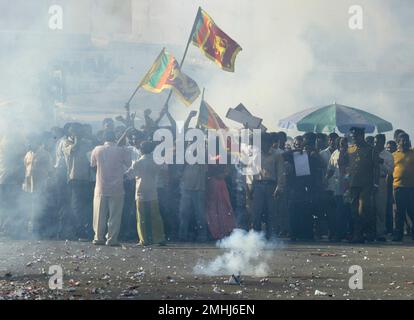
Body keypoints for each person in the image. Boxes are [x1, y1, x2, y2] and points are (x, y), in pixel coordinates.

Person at [90, 130, 131, 246]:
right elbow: (129, 164)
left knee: (99, 214)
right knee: (115, 215)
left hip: (100, 186)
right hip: (117, 187)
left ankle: (98, 237)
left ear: (104, 139)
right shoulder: (121, 150)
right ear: (114, 138)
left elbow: (92, 165)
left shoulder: (97, 149)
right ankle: (112, 239)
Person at [125, 141, 166, 246]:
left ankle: (144, 240)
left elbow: (128, 175)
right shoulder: (155, 161)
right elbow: (163, 170)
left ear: (141, 150)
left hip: (141, 191)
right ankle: (159, 238)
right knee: (155, 216)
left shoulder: (138, 162)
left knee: (141, 217)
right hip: (152, 190)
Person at [346, 127, 379, 243]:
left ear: (362, 135)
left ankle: (365, 233)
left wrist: (376, 184)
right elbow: (346, 166)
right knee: (353, 210)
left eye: (356, 136)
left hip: (366, 184)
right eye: (352, 136)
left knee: (363, 209)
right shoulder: (350, 149)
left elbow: (376, 168)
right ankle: (358, 234)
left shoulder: (371, 150)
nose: (354, 138)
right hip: (353, 184)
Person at [63, 123, 94, 240]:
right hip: (74, 178)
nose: (78, 133)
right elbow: (73, 149)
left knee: (86, 206)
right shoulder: (66, 143)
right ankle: (79, 232)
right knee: (76, 207)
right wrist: (78, 139)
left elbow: (91, 160)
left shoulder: (88, 143)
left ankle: (87, 231)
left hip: (86, 179)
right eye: (75, 131)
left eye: (79, 130)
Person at [251, 133, 284, 239]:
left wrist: (279, 187)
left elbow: (280, 173)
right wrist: (250, 188)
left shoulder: (277, 155)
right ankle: (256, 237)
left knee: (272, 212)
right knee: (257, 212)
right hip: (258, 185)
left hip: (271, 186)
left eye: (266, 142)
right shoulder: (255, 154)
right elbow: (250, 172)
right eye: (262, 142)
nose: (264, 144)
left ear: (270, 143)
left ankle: (271, 237)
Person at [326, 137, 351, 241]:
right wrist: (325, 179)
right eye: (341, 143)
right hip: (337, 187)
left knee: (347, 211)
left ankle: (346, 233)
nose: (343, 145)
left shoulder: (351, 153)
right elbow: (330, 169)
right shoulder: (335, 154)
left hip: (348, 186)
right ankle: (339, 233)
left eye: (345, 143)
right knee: (339, 212)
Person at [392, 133, 414, 242]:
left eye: (407, 140)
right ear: (398, 142)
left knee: (412, 211)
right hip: (398, 187)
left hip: (411, 187)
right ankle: (398, 235)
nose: (405, 142)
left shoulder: (413, 152)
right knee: (399, 212)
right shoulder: (394, 155)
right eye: (403, 140)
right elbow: (390, 171)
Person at [374, 134, 394, 241]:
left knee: (381, 208)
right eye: (375, 142)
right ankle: (371, 232)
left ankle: (380, 233)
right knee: (370, 207)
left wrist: (381, 162)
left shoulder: (388, 155)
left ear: (383, 142)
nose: (377, 144)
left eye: (379, 142)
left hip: (382, 181)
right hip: (371, 181)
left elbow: (390, 171)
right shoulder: (371, 152)